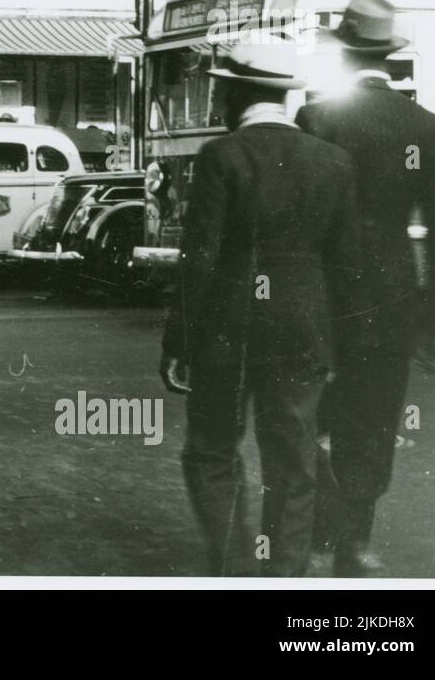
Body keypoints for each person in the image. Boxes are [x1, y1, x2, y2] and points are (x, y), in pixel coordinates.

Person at [159, 36, 361, 577]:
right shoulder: (334, 162)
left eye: (222, 93)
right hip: (304, 329)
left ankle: (233, 564)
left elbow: (197, 261)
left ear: (236, 95)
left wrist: (178, 342)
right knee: (293, 464)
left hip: (229, 330)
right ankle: (285, 574)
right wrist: (338, 343)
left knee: (212, 450)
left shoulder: (221, 156)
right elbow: (347, 266)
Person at [295, 0, 435, 577]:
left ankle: (316, 535)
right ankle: (356, 542)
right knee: (377, 414)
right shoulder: (431, 130)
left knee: (316, 410)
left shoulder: (317, 119)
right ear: (392, 58)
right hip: (391, 291)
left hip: (324, 286)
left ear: (342, 53)